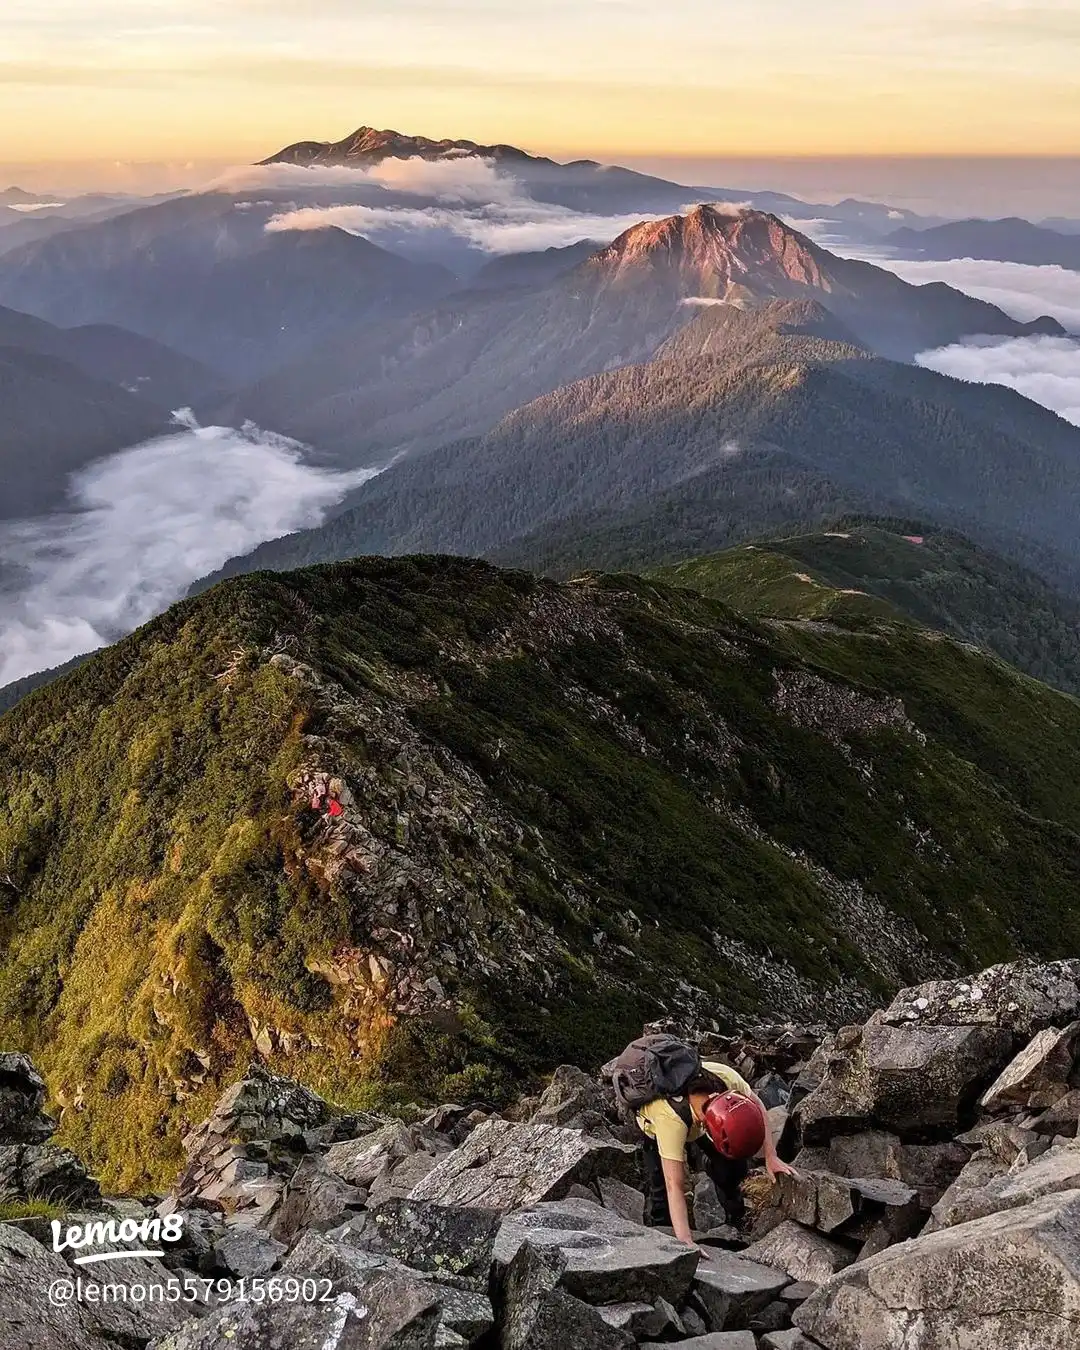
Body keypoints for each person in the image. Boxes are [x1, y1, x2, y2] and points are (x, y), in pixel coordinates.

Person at [636, 1059, 795, 1245]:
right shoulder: (670, 1121)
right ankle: (662, 1244)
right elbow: (674, 1185)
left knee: (734, 1169)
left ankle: (735, 1222)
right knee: (661, 1190)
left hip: (701, 1120)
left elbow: (758, 1106)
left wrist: (771, 1156)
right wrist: (686, 1241)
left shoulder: (726, 1079)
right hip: (654, 1127)